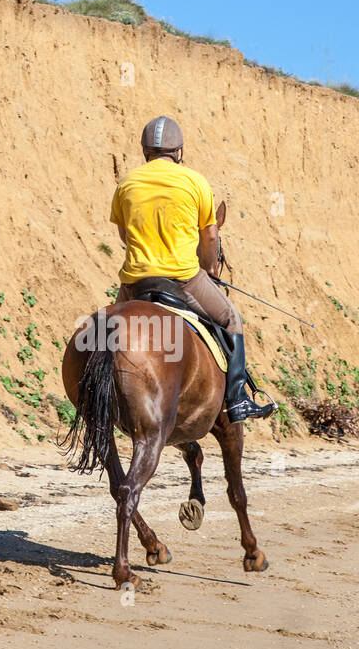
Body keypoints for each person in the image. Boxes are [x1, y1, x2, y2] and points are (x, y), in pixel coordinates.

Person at [111, 115, 275, 422]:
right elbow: (210, 234)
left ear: (145, 149)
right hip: (182, 279)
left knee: (106, 335)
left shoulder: (127, 184)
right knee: (230, 318)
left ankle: (99, 395)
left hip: (135, 282)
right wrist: (206, 269)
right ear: (179, 151)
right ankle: (239, 399)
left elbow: (124, 235)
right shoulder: (194, 181)